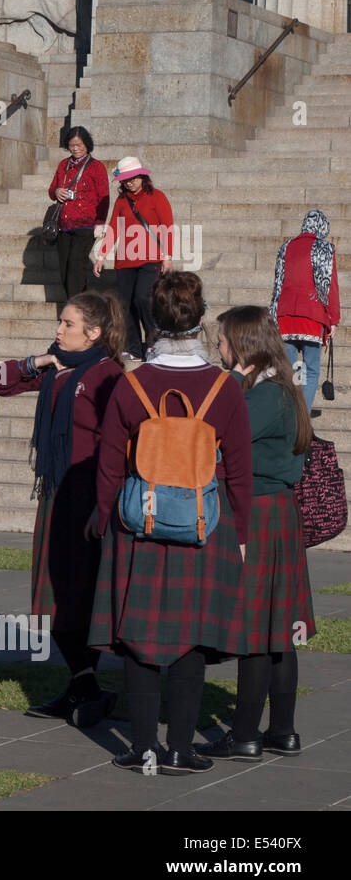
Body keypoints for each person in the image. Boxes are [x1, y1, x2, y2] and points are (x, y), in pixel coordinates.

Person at [87, 272, 252, 775]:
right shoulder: (225, 386)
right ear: (201, 319)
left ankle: (143, 749)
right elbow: (241, 470)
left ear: (153, 320)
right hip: (205, 520)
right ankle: (179, 747)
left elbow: (110, 465)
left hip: (140, 519)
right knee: (192, 634)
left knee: (137, 634)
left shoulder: (130, 383)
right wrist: (241, 531)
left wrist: (104, 517)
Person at [0, 292, 126, 727]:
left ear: (95, 332)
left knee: (77, 598)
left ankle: (86, 686)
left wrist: (103, 506)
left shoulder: (108, 375)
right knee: (54, 595)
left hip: (87, 499)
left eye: (68, 324)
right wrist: (39, 363)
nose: (58, 330)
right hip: (54, 493)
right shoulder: (57, 368)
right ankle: (84, 688)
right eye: (60, 322)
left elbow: (117, 445)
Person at [197, 306, 315, 761]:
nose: (219, 347)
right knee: (278, 630)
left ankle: (245, 733)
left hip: (260, 512)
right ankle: (282, 731)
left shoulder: (265, 396)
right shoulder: (279, 387)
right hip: (276, 512)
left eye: (224, 339)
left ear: (243, 344)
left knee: (257, 631)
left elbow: (214, 433)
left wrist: (224, 385)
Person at [93, 156, 175, 361]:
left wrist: (167, 256)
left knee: (142, 298)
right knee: (124, 305)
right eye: (126, 179)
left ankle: (153, 342)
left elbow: (167, 227)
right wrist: (102, 255)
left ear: (142, 176)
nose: (130, 182)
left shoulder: (158, 197)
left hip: (151, 258)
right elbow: (113, 228)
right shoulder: (122, 200)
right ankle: (134, 348)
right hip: (125, 260)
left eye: (134, 178)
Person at [270, 209, 341, 413]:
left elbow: (278, 285)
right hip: (312, 315)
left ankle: (289, 413)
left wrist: (273, 316)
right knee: (310, 369)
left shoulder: (286, 247)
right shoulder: (325, 248)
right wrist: (333, 318)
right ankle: (302, 418)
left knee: (290, 370)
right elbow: (329, 286)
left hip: (284, 317)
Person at [48, 126, 109, 299]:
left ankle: (74, 309)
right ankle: (81, 306)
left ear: (87, 145)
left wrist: (100, 222)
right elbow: (52, 189)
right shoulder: (63, 165)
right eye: (71, 144)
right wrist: (56, 191)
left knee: (76, 266)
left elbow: (104, 197)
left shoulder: (97, 167)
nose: (75, 148)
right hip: (63, 224)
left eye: (79, 145)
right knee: (65, 269)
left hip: (86, 225)